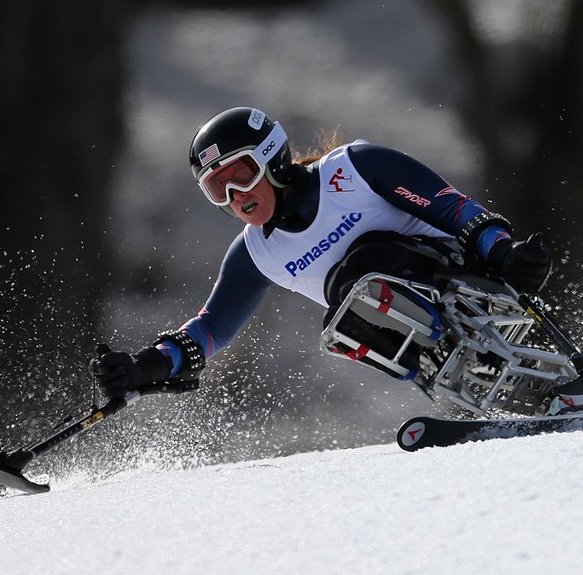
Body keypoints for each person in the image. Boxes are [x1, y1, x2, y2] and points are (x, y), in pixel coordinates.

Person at [90, 107, 552, 400]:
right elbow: (209, 330)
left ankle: (486, 352)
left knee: (361, 270)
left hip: (471, 287)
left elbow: (453, 208)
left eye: (243, 174)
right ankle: (459, 382)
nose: (236, 195)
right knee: (340, 317)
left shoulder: (354, 170)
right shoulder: (257, 253)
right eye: (217, 188)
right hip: (410, 332)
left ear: (273, 158)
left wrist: (504, 253)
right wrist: (145, 366)